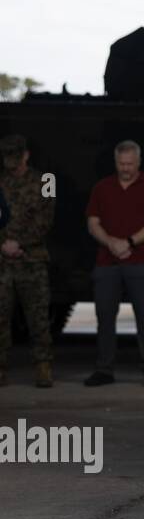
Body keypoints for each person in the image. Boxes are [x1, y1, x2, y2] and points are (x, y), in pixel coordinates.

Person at [84, 140, 144, 387]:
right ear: (115, 162)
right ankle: (104, 369)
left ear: (138, 162)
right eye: (121, 164)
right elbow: (92, 223)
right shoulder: (102, 188)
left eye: (130, 164)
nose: (126, 168)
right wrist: (111, 242)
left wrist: (128, 242)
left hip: (140, 262)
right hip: (106, 262)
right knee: (105, 317)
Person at [0, 134, 55, 388]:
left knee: (38, 318)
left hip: (32, 260)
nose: (11, 163)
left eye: (15, 156)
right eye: (6, 157)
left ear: (26, 154)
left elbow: (46, 220)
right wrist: (4, 245)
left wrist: (19, 244)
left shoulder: (47, 181)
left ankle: (43, 366)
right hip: (3, 261)